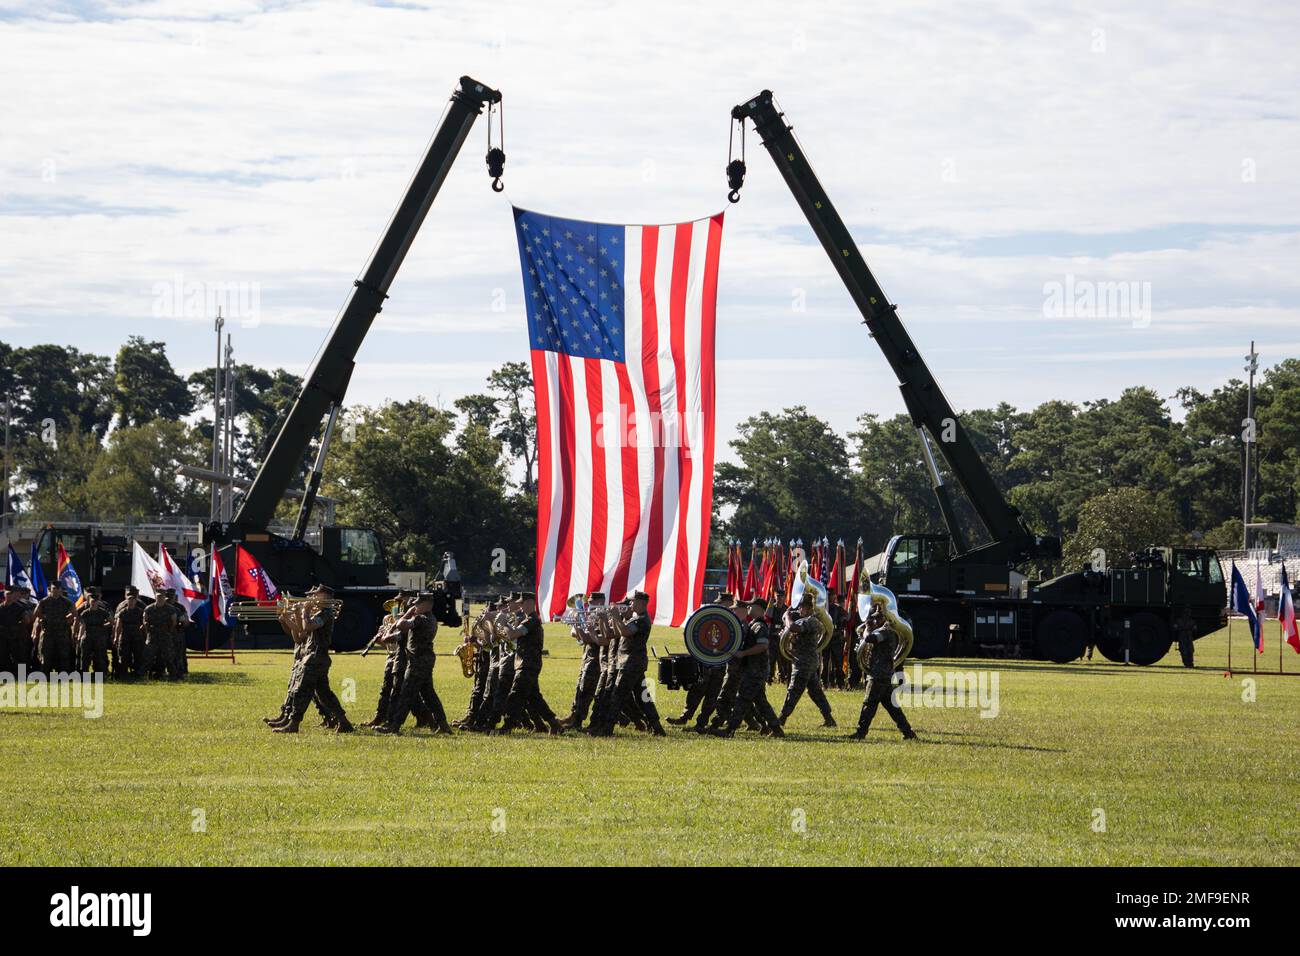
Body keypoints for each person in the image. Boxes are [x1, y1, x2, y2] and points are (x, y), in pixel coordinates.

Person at [272, 585, 353, 734]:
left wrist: (306, 612)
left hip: (316, 657)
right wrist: (291, 616)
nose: (313, 597)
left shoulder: (326, 613)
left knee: (301, 691)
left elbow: (308, 626)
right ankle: (344, 722)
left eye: (317, 595)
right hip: (313, 657)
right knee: (324, 694)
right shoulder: (321, 612)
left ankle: (294, 723)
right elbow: (300, 633)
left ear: (326, 597)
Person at [587, 591, 666, 737]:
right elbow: (616, 633)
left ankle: (607, 729)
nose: (630, 604)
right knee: (643, 698)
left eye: (632, 602)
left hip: (630, 663)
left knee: (617, 696)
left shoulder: (641, 620)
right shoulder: (636, 619)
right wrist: (606, 619)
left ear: (641, 603)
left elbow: (624, 631)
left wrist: (616, 616)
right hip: (630, 663)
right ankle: (657, 727)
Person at [375, 590, 452, 735]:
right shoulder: (429, 618)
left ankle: (394, 726)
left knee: (406, 694)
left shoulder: (421, 618)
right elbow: (402, 633)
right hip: (424, 660)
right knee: (429, 695)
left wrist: (408, 613)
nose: (414, 606)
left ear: (426, 605)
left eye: (417, 604)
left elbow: (401, 624)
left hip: (417, 661)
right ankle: (443, 725)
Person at [711, 596, 783, 738]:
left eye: (751, 606)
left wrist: (743, 653)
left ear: (760, 609)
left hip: (755, 671)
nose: (748, 607)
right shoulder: (753, 624)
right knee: (761, 703)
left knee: (741, 700)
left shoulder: (760, 626)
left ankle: (729, 730)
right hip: (752, 670)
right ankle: (776, 730)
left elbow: (763, 646)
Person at [495, 592, 563, 736]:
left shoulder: (532, 620)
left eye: (522, 602)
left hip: (528, 664)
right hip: (524, 663)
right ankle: (554, 724)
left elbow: (513, 634)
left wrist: (503, 623)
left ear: (530, 603)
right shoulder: (527, 619)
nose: (519, 605)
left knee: (515, 696)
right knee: (534, 698)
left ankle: (507, 726)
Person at [848, 605, 917, 741]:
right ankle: (908, 733)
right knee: (893, 708)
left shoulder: (886, 631)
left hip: (879, 675)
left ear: (885, 618)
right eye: (874, 618)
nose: (875, 621)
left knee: (869, 704)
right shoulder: (882, 629)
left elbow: (871, 639)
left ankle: (860, 733)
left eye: (878, 618)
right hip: (882, 674)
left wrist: (867, 630)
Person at [669, 592, 733, 729]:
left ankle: (701, 723)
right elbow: (693, 631)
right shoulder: (709, 616)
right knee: (696, 690)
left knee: (712, 694)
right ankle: (684, 717)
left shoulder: (731, 620)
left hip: (720, 663)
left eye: (722, 604)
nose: (719, 606)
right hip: (704, 661)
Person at [777, 592, 837, 728]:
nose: (799, 609)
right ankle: (829, 718)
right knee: (815, 692)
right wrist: (788, 638)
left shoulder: (811, 621)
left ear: (810, 608)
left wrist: (787, 618)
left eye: (801, 607)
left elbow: (793, 628)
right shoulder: (808, 621)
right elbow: (799, 640)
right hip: (806, 660)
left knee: (794, 691)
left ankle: (781, 719)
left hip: (804, 663)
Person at [559, 592, 606, 730]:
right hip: (587, 656)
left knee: (586, 689)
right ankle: (574, 715)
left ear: (601, 601)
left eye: (593, 602)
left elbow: (590, 638)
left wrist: (580, 627)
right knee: (580, 686)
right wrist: (577, 623)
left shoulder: (603, 617)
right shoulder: (590, 615)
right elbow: (577, 635)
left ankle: (577, 720)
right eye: (589, 601)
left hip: (596, 659)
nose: (589, 604)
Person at [33, 581, 76, 674]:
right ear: (51, 589)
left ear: (61, 590)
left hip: (62, 633)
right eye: (53, 589)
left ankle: (63, 675)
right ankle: (45, 674)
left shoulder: (66, 601)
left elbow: (74, 613)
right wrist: (44, 617)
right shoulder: (44, 601)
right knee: (46, 654)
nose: (55, 591)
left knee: (63, 655)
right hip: (48, 632)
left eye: (58, 589)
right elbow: (36, 613)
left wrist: (66, 620)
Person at [141, 588, 181, 680]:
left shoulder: (170, 609)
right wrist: (148, 632)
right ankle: (142, 675)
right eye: (158, 596)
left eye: (161, 596)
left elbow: (174, 622)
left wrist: (168, 631)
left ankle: (173, 675)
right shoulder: (149, 608)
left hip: (165, 636)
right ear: (155, 597)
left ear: (164, 597)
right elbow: (145, 620)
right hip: (152, 636)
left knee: (169, 657)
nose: (160, 598)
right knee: (148, 656)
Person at [76, 588, 113, 676]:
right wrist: (79, 637)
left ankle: (100, 675)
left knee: (100, 657)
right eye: (92, 601)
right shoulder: (85, 612)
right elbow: (82, 625)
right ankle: (83, 674)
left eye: (95, 601)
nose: (94, 603)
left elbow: (112, 621)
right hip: (87, 637)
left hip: (99, 637)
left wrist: (104, 626)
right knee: (85, 657)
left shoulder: (103, 611)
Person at [0, 586, 34, 675]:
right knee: (3, 655)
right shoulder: (1, 607)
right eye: (7, 594)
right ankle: (5, 674)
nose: (9, 596)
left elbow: (27, 620)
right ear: (4, 595)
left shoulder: (19, 607)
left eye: (11, 594)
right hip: (3, 636)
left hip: (15, 636)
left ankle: (21, 674)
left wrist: (19, 626)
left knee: (19, 656)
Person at [113, 586, 145, 678]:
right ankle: (123, 673)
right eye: (128, 595)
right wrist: (115, 636)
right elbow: (117, 623)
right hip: (124, 635)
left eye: (133, 595)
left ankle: (137, 674)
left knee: (138, 654)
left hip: (137, 636)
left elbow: (145, 621)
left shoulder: (141, 606)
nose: (130, 598)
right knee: (123, 654)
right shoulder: (121, 606)